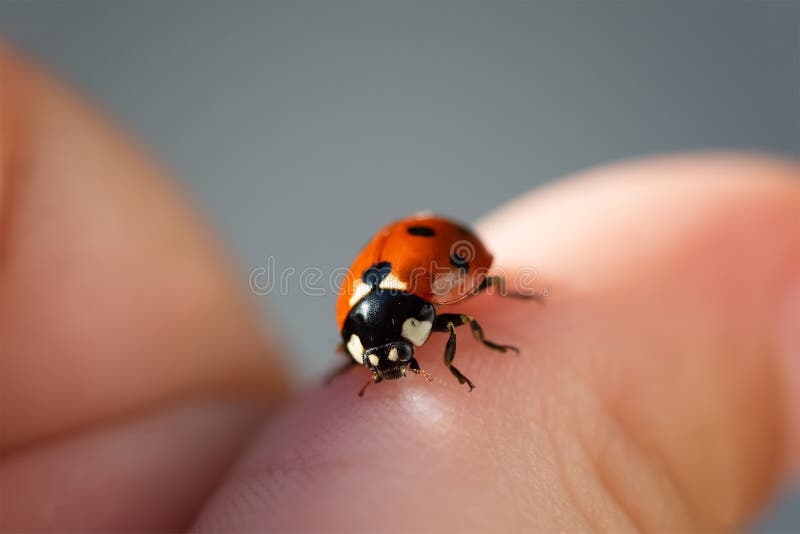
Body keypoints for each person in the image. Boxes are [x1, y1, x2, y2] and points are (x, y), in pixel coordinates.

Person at [0, 47, 797, 533]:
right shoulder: (380, 318)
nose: (391, 364)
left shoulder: (429, 306)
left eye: (384, 355)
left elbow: (452, 324)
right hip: (404, 266)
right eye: (378, 358)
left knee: (475, 310)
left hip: (442, 250)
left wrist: (462, 348)